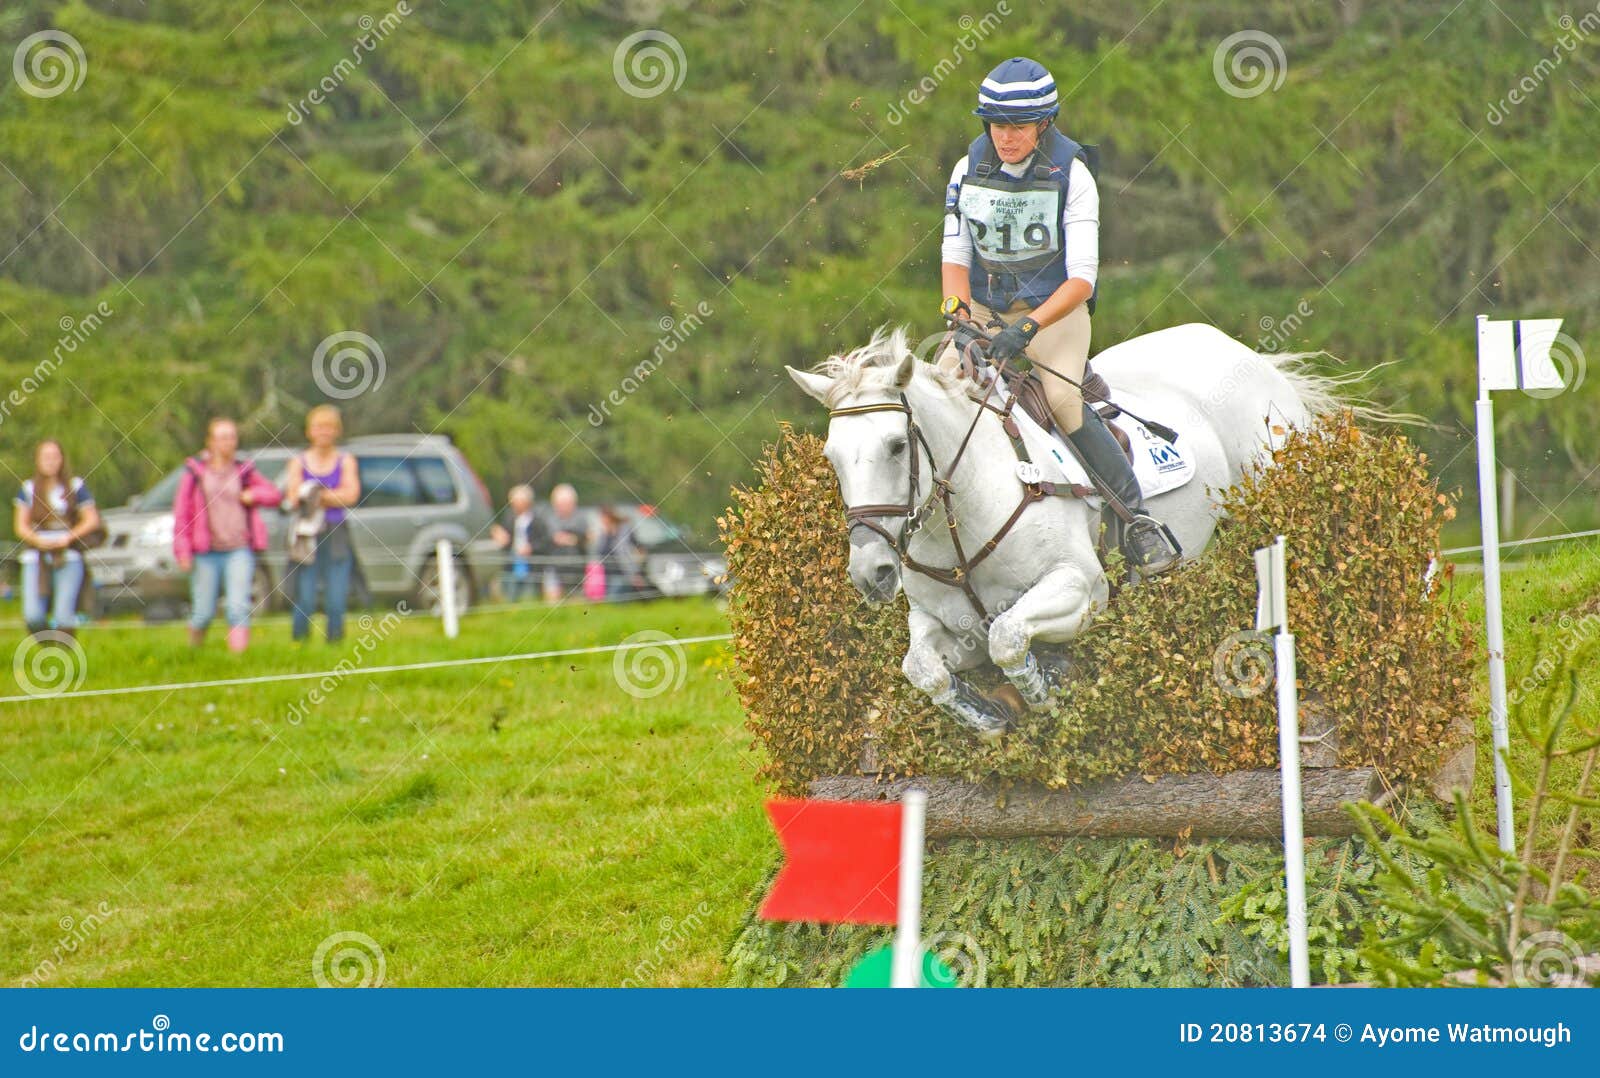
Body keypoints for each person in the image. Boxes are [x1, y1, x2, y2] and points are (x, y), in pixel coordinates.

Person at [939, 56, 1180, 575]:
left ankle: (1138, 521)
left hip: (1053, 313)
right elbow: (956, 257)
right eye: (997, 125)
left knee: (1063, 399)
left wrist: (1028, 327)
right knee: (939, 391)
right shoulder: (966, 169)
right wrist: (957, 316)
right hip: (984, 309)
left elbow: (1082, 280)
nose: (1006, 137)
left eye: (1019, 126)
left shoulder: (1074, 175)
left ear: (1045, 122)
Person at [172, 417, 284, 652]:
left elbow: (274, 494)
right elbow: (182, 515)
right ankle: (192, 654)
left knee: (238, 607)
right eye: (222, 437)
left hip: (239, 549)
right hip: (205, 552)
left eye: (232, 437)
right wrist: (182, 551)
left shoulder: (244, 471)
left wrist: (254, 495)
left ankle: (238, 660)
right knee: (203, 612)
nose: (228, 442)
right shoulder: (195, 472)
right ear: (210, 442)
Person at [283, 404, 361, 642]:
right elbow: (293, 496)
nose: (323, 432)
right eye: (318, 427)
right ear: (309, 431)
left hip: (336, 533)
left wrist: (315, 495)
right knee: (304, 594)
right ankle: (299, 643)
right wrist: (331, 496)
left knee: (336, 596)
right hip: (306, 535)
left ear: (337, 430)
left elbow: (351, 495)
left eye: (329, 426)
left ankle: (335, 642)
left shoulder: (346, 460)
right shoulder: (298, 461)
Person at [13, 440, 99, 640]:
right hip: (36, 557)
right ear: (37, 460)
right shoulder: (28, 488)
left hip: (68, 556)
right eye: (46, 457)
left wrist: (68, 538)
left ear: (61, 459)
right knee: (33, 616)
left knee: (63, 616)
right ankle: (45, 649)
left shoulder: (75, 486)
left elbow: (91, 519)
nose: (50, 462)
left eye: (54, 457)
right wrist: (37, 541)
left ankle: (65, 654)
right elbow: (20, 526)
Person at [489, 484, 547, 601]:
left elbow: (545, 542)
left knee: (530, 597)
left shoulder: (538, 520)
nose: (514, 506)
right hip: (512, 564)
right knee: (510, 596)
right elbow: (504, 537)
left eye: (518, 503)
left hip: (531, 566)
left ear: (527, 503)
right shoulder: (509, 518)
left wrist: (531, 548)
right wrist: (499, 535)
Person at [542, 483, 586, 601]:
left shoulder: (581, 519)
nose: (563, 507)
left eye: (567, 504)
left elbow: (587, 538)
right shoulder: (548, 519)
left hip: (577, 567)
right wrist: (557, 539)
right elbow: (544, 539)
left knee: (576, 601)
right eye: (560, 504)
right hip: (554, 565)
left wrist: (573, 539)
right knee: (552, 600)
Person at [589, 505, 644, 599]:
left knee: (613, 598)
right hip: (605, 574)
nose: (602, 521)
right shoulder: (603, 534)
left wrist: (636, 572)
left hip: (622, 572)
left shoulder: (625, 530)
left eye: (603, 518)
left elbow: (638, 548)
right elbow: (598, 552)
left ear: (609, 517)